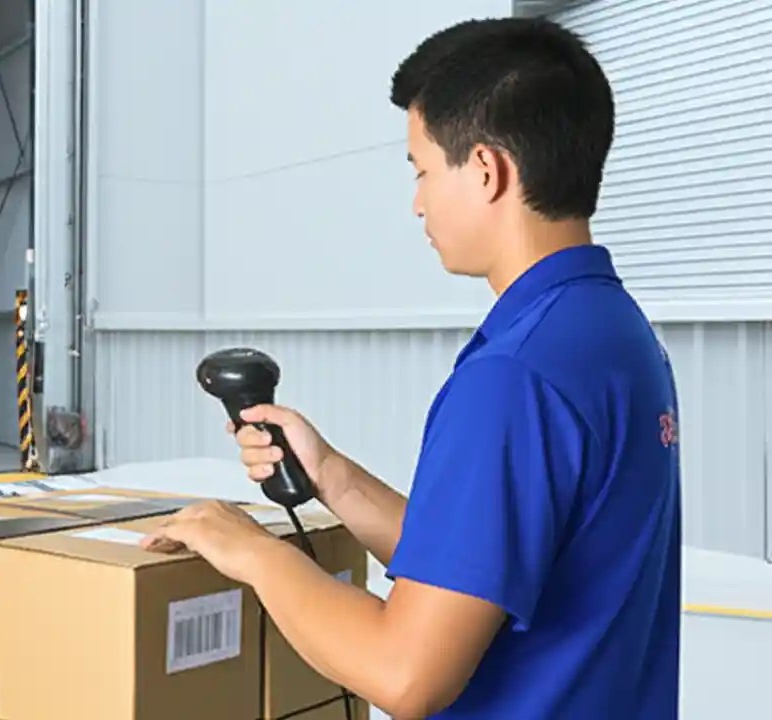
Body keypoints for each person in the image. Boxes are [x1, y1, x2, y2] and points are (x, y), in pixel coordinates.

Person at [140, 16, 682, 719]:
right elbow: (481, 568)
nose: (418, 201)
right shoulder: (614, 335)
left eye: (423, 169)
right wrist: (331, 475)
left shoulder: (514, 376)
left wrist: (249, 552)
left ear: (486, 171)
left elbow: (405, 674)